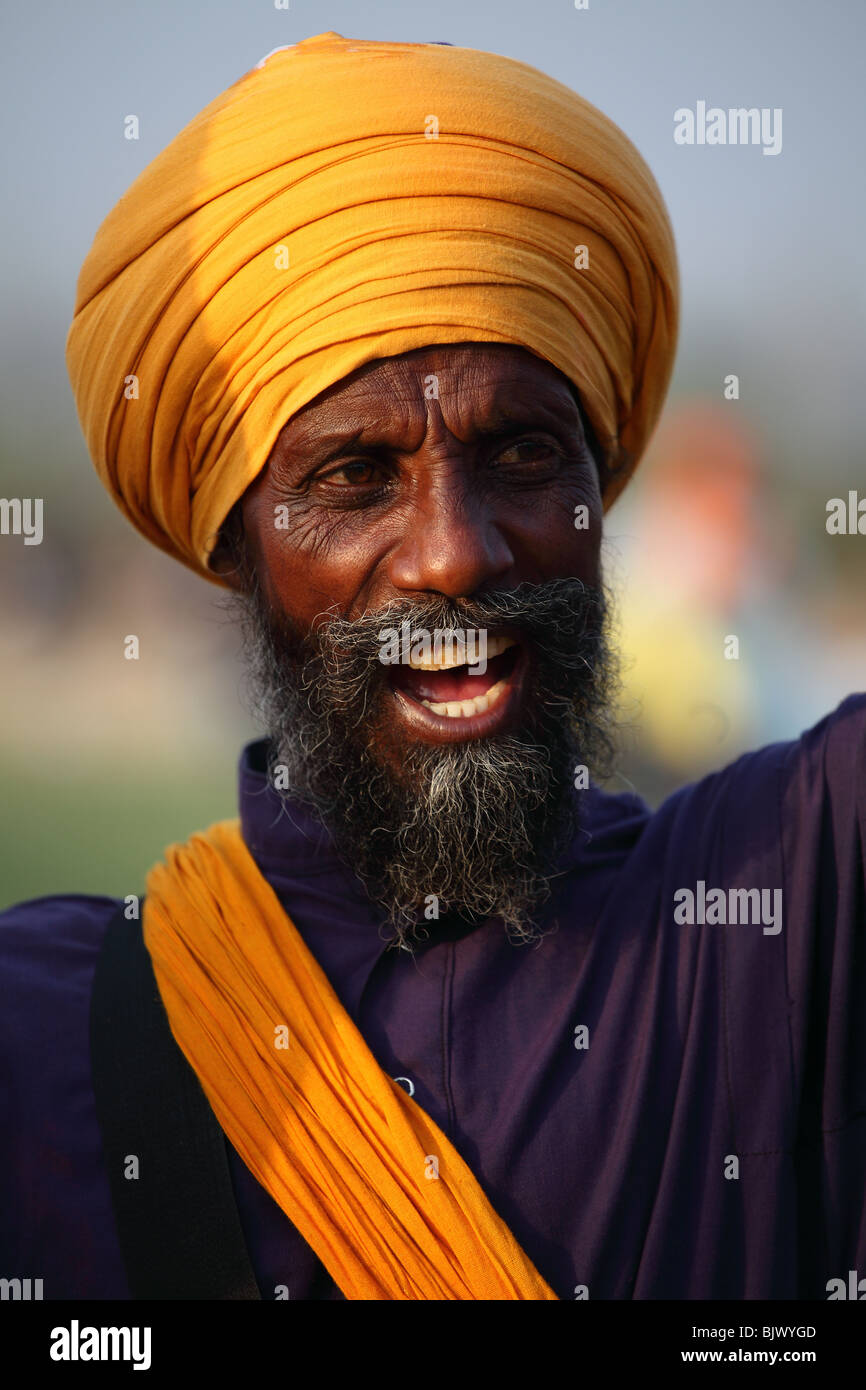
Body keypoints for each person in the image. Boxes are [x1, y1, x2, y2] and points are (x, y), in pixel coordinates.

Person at [1, 31, 863, 1302]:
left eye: (521, 453)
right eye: (352, 476)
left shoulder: (785, 909)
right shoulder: (38, 1036)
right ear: (233, 544)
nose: (455, 556)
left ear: (597, 491)